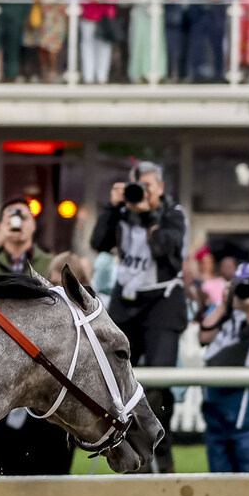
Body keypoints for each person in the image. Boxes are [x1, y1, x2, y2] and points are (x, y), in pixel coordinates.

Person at [87, 162, 188, 471]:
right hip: (127, 298)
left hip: (162, 301)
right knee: (114, 374)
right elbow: (99, 244)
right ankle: (123, 451)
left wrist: (146, 213)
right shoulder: (123, 210)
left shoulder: (174, 213)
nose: (140, 193)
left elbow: (164, 249)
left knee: (158, 384)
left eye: (147, 187)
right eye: (136, 187)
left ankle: (160, 458)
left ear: (160, 188)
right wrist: (111, 208)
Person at [196, 262, 249, 474]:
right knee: (220, 482)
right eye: (240, 284)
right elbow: (204, 336)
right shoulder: (220, 311)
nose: (247, 289)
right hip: (216, 412)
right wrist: (225, 304)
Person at [0, 201, 56, 278]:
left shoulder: (49, 263)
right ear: (0, 226)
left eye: (24, 218)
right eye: (11, 219)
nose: (18, 224)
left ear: (34, 224)